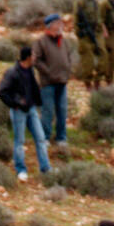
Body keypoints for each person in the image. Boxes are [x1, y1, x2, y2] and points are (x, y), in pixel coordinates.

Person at [0, 47, 50, 183]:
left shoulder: (30, 70)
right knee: (19, 141)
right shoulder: (13, 73)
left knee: (40, 138)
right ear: (27, 57)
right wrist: (15, 104)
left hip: (31, 110)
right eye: (33, 55)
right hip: (18, 111)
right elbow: (2, 92)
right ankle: (21, 170)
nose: (34, 57)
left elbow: (33, 88)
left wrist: (37, 102)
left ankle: (46, 169)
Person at [32, 14, 73, 149]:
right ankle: (44, 138)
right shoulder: (41, 42)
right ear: (50, 26)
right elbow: (36, 60)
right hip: (48, 83)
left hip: (62, 81)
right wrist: (48, 72)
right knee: (47, 111)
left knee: (62, 110)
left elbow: (68, 57)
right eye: (58, 23)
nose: (61, 25)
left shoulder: (64, 41)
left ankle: (61, 137)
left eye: (61, 23)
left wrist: (68, 71)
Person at [75, 0, 105, 89]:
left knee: (104, 56)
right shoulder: (80, 2)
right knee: (88, 61)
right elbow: (76, 20)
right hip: (85, 35)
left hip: (95, 33)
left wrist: (100, 30)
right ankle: (88, 82)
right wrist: (80, 35)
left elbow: (98, 18)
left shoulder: (95, 1)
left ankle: (98, 81)